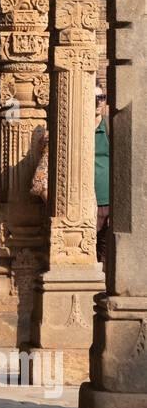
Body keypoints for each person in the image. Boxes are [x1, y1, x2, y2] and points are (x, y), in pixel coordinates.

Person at [95, 84, 110, 270]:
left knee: (106, 258)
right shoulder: (77, 129)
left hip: (108, 201)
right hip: (85, 202)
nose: (98, 102)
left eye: (102, 97)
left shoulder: (109, 126)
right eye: (93, 98)